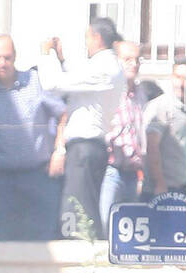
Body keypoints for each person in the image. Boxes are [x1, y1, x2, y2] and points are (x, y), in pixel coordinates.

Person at [0, 35, 63, 242]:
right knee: (3, 236)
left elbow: (63, 113)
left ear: (15, 56)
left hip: (38, 175)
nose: (2, 63)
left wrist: (59, 150)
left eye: (7, 57)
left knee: (43, 238)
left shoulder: (36, 82)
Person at [37, 18, 123, 237]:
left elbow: (52, 83)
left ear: (96, 37)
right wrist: (61, 58)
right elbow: (75, 80)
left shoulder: (105, 67)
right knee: (82, 203)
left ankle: (83, 255)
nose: (86, 44)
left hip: (86, 146)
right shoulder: (102, 65)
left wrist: (46, 55)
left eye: (87, 38)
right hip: (86, 146)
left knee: (78, 207)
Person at [98, 40, 147, 225]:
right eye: (127, 59)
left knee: (130, 230)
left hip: (133, 173)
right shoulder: (107, 90)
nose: (133, 64)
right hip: (110, 169)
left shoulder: (141, 93)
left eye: (136, 60)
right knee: (106, 224)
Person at [142, 56, 186, 198]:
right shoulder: (161, 106)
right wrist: (160, 183)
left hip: (181, 187)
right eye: (178, 77)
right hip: (161, 189)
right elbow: (152, 147)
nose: (181, 83)